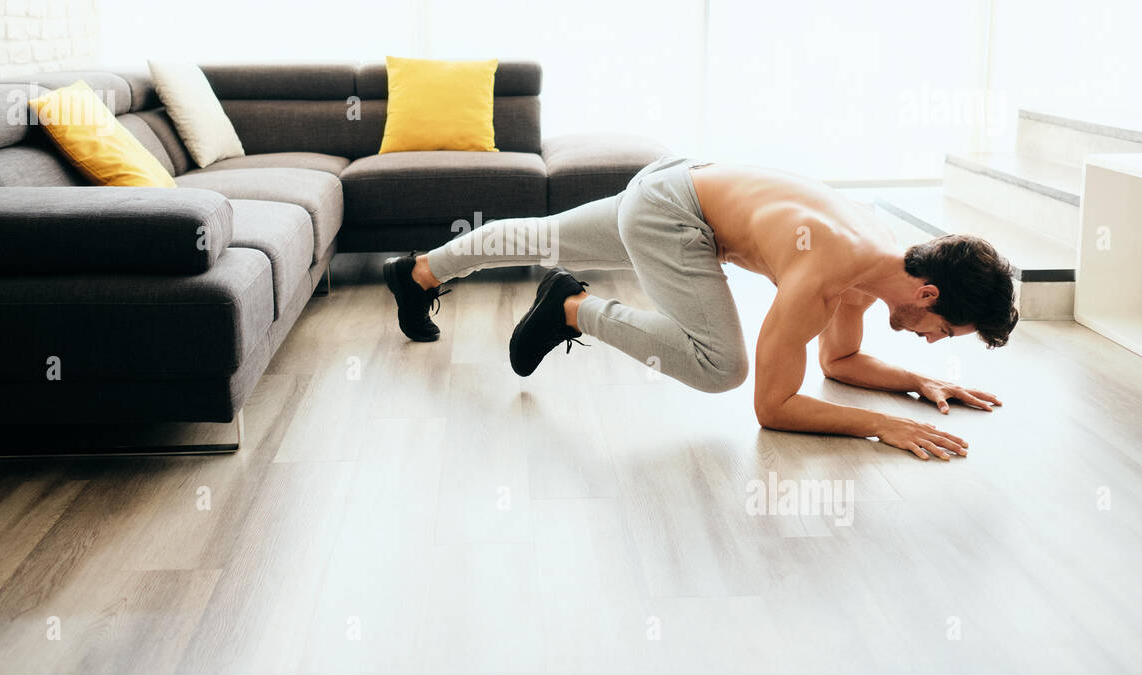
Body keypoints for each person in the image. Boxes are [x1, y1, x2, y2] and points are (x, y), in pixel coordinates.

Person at [383, 155, 1016, 461]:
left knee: (543, 234)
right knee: (723, 367)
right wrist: (881, 426)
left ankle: (414, 273)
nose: (937, 341)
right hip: (674, 215)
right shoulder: (827, 272)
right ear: (928, 294)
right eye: (947, 331)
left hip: (679, 184)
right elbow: (772, 408)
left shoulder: (877, 258)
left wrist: (918, 383)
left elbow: (841, 360)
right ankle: (572, 306)